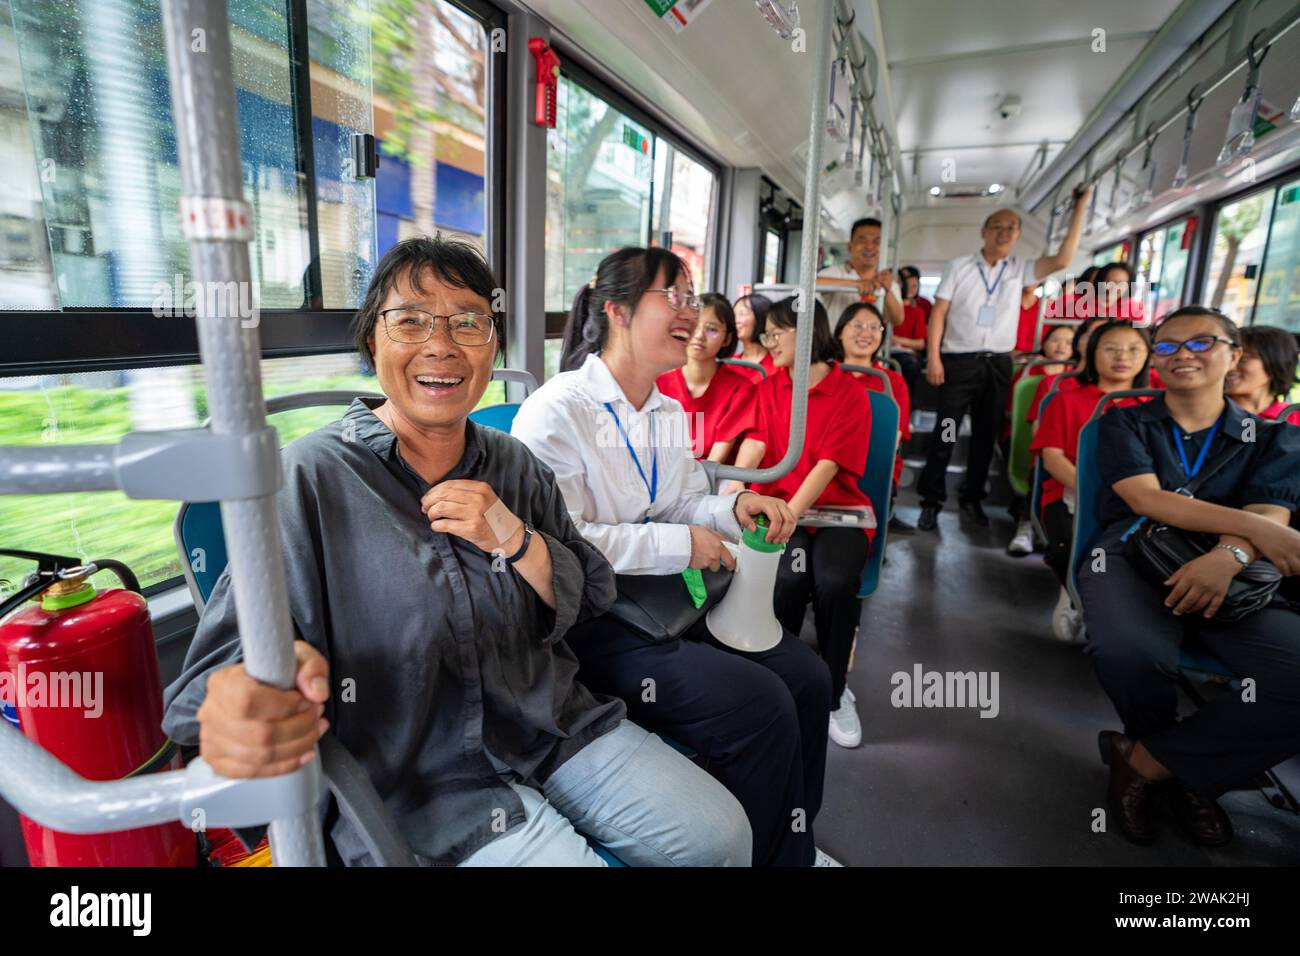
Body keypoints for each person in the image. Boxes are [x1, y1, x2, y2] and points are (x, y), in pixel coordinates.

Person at [161, 237, 752, 867]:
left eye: (468, 322)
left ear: (492, 346)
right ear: (371, 342)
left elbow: (592, 587)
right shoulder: (308, 480)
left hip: (551, 728)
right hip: (420, 782)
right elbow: (212, 682)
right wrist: (246, 700)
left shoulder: (515, 466)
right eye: (410, 320)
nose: (440, 344)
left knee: (724, 837)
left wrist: (519, 541)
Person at [512, 247, 837, 867]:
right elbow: (566, 544)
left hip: (666, 601)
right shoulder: (558, 411)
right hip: (596, 621)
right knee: (761, 703)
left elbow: (686, 498)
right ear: (617, 310)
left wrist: (732, 508)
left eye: (694, 299)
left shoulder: (664, 409)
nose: (691, 314)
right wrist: (682, 544)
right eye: (676, 298)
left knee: (808, 678)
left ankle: (792, 841)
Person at [1079, 305, 1300, 848]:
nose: (1183, 355)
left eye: (1201, 343)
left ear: (1234, 354)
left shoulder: (1272, 438)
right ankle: (1188, 778)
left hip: (1238, 569)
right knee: (1128, 652)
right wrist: (1250, 532)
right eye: (1168, 346)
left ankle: (1152, 765)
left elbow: (1274, 514)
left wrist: (1228, 556)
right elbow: (1147, 499)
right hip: (1131, 558)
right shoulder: (1124, 420)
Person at [731, 297, 874, 749]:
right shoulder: (769, 387)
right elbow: (754, 444)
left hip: (836, 514)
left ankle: (833, 692)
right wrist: (735, 492)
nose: (768, 342)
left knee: (833, 581)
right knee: (789, 580)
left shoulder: (850, 394)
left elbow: (827, 466)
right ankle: (782, 680)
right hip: (780, 508)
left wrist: (789, 514)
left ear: (807, 331)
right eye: (766, 334)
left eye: (777, 333)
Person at [917, 185, 1092, 532]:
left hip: (997, 363)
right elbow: (939, 314)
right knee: (947, 434)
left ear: (1018, 236)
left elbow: (1062, 260)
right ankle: (932, 501)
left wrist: (1080, 207)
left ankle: (971, 499)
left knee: (985, 435)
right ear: (984, 231)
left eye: (1012, 228)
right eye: (998, 226)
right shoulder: (960, 267)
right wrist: (934, 358)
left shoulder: (1020, 270)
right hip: (959, 362)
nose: (1005, 232)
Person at [1031, 320, 1152, 641]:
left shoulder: (1154, 407)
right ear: (1091, 352)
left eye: (1133, 349)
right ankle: (1074, 593)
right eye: (1110, 348)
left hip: (1138, 500)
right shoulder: (1065, 399)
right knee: (1064, 548)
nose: (1122, 356)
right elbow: (1052, 457)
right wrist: (1092, 492)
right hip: (1069, 492)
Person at [834, 300, 914, 535]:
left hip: (873, 465)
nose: (866, 333)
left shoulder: (892, 382)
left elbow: (893, 439)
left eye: (874, 327)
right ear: (840, 332)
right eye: (858, 325)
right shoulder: (825, 375)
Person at [656, 293, 757, 462]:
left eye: (711, 329)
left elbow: (715, 462)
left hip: (710, 480)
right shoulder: (658, 382)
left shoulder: (740, 389)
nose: (699, 336)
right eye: (693, 325)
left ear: (727, 339)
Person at [1005, 324, 1075, 557]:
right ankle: (1027, 525)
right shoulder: (1039, 378)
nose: (1061, 346)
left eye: (1068, 342)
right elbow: (1034, 423)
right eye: (1056, 340)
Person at [816, 217, 903, 328]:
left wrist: (887, 291)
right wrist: (856, 284)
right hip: (832, 344)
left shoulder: (888, 283)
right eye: (862, 240)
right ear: (850, 246)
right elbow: (813, 284)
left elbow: (897, 319)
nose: (869, 246)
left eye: (877, 241)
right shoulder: (836, 273)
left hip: (870, 343)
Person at [1227, 325, 1300, 424]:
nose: (1230, 366)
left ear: (1276, 363)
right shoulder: (1207, 413)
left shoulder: (1294, 419)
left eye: (1243, 359)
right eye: (1227, 358)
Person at [893, 265, 930, 394]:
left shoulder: (918, 311)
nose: (910, 289)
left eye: (914, 285)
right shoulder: (886, 308)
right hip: (886, 351)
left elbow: (921, 344)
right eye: (906, 284)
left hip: (906, 356)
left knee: (909, 366)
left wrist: (897, 340)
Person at [731, 292, 776, 383]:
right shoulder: (729, 363)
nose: (735, 321)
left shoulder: (778, 364)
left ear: (761, 316)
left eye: (742, 313)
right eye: (733, 315)